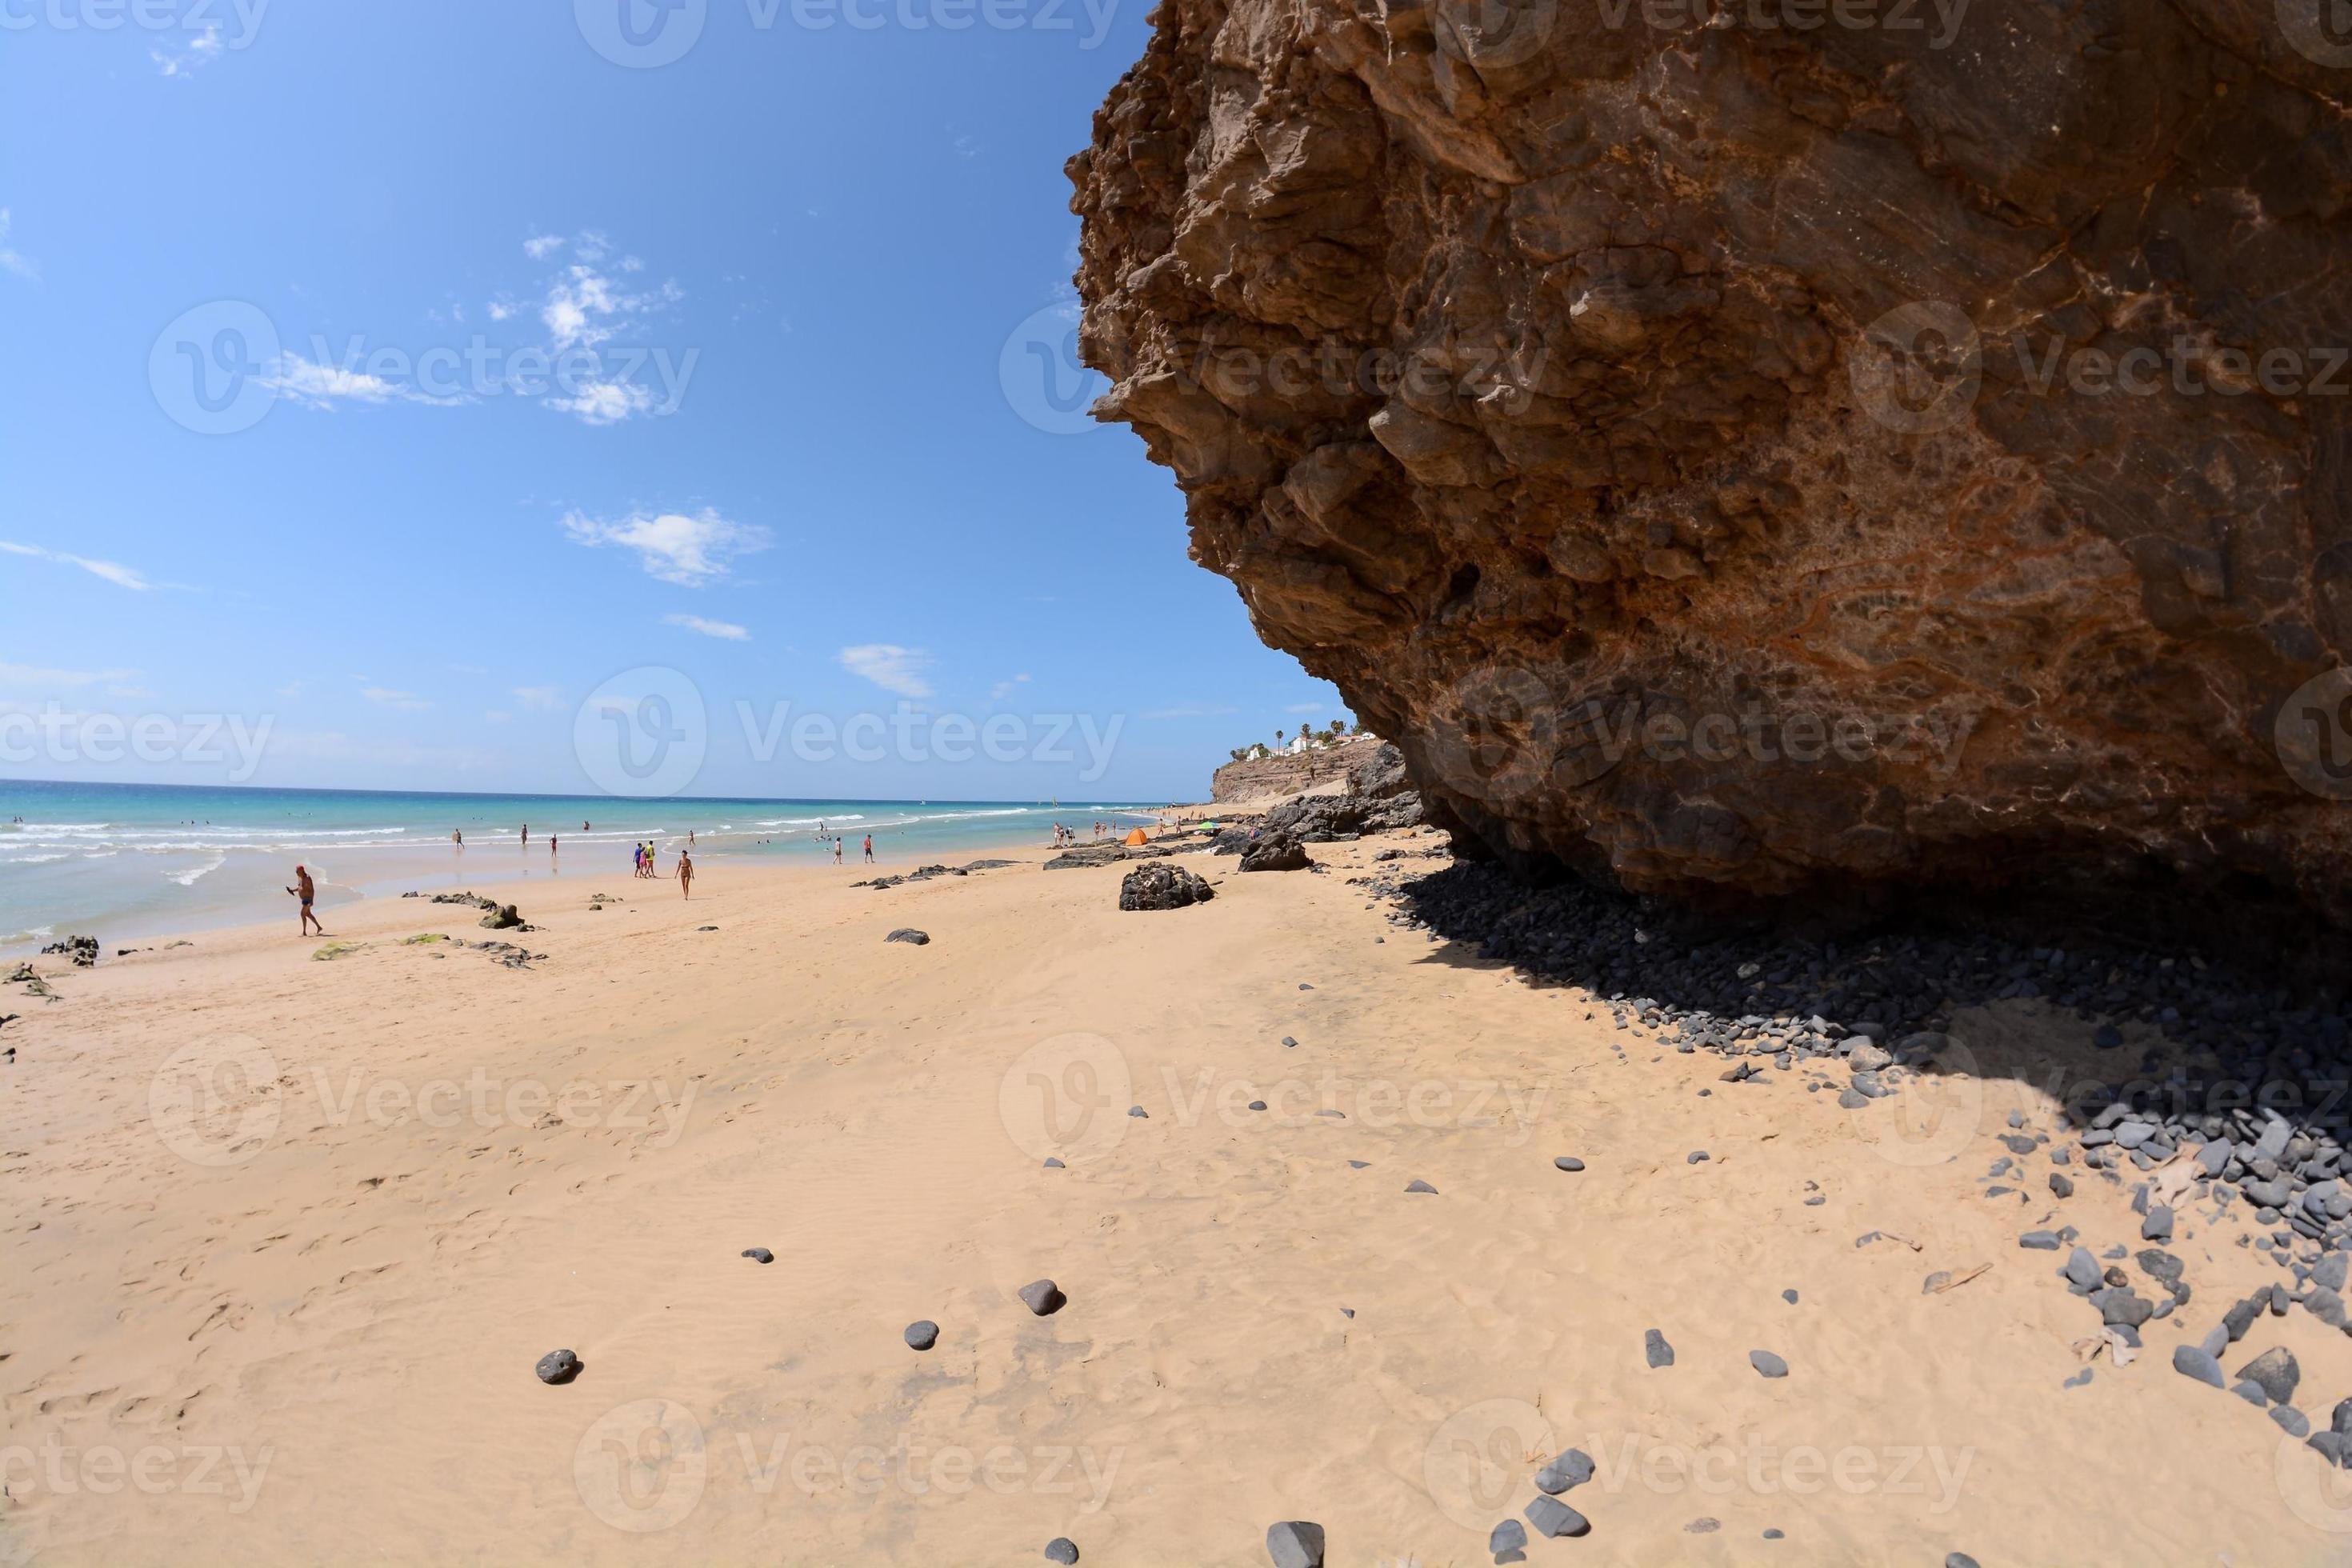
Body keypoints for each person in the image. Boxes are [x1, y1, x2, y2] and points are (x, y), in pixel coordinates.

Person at [287, 864, 323, 937]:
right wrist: (292, 891)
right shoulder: (300, 878)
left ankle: (304, 932)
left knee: (302, 914)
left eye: (297, 871)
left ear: (302, 871)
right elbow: (300, 888)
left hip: (308, 899)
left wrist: (312, 900)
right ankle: (319, 927)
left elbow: (312, 889)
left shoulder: (307, 878)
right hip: (304, 899)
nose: (296, 872)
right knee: (308, 914)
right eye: (296, 871)